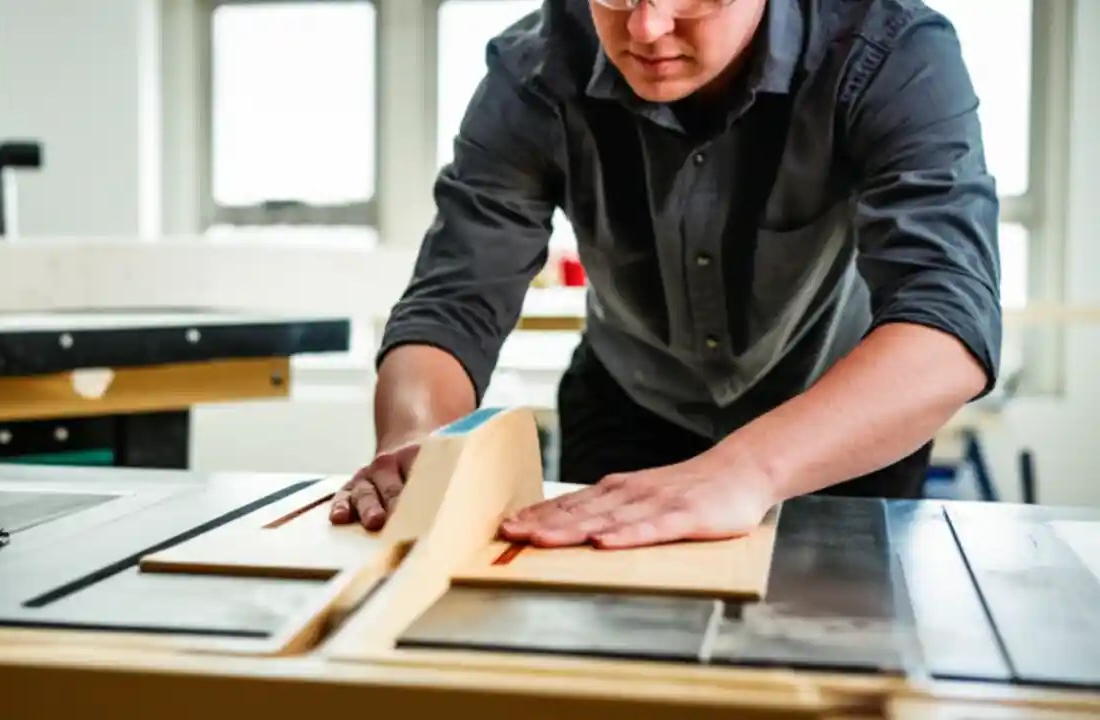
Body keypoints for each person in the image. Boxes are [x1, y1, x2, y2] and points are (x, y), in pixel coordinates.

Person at [329, 0, 1000, 549]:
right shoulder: (533, 71)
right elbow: (455, 299)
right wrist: (419, 441)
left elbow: (948, 316)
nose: (647, 27)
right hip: (629, 406)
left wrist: (744, 470)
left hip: (840, 418)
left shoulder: (891, 50)